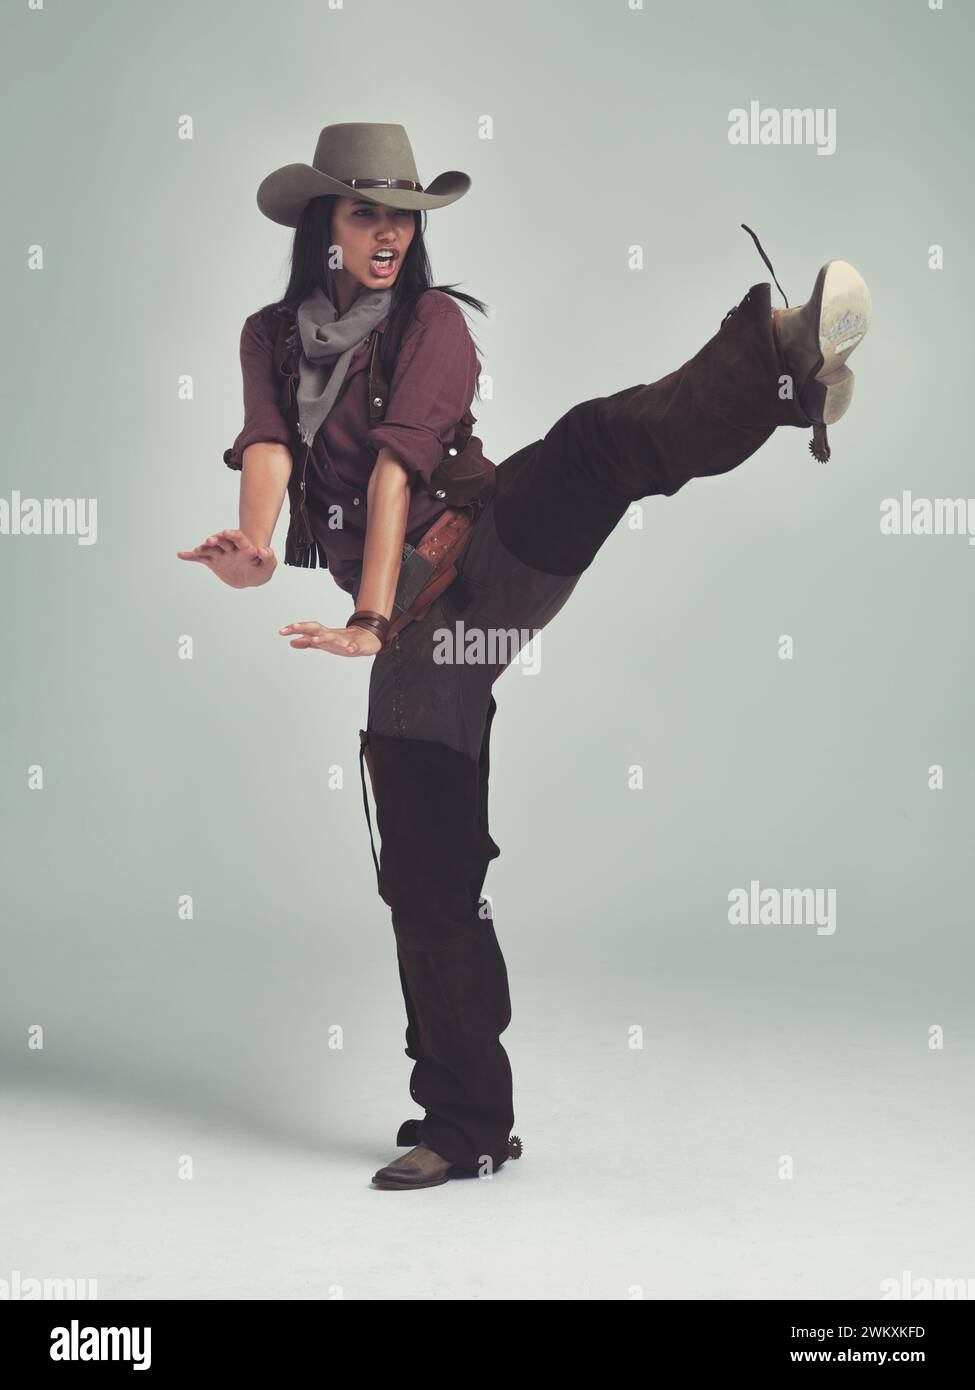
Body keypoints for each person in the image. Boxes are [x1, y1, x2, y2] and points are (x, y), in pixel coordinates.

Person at [178, 123, 872, 1191]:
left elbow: (400, 473)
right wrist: (259, 551)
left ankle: (779, 365)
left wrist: (365, 614)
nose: (390, 236)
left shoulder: (436, 325)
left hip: (490, 549)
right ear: (322, 225)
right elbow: (269, 443)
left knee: (595, 445)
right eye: (366, 213)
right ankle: (465, 1127)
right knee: (425, 872)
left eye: (403, 216)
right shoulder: (268, 335)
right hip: (421, 635)